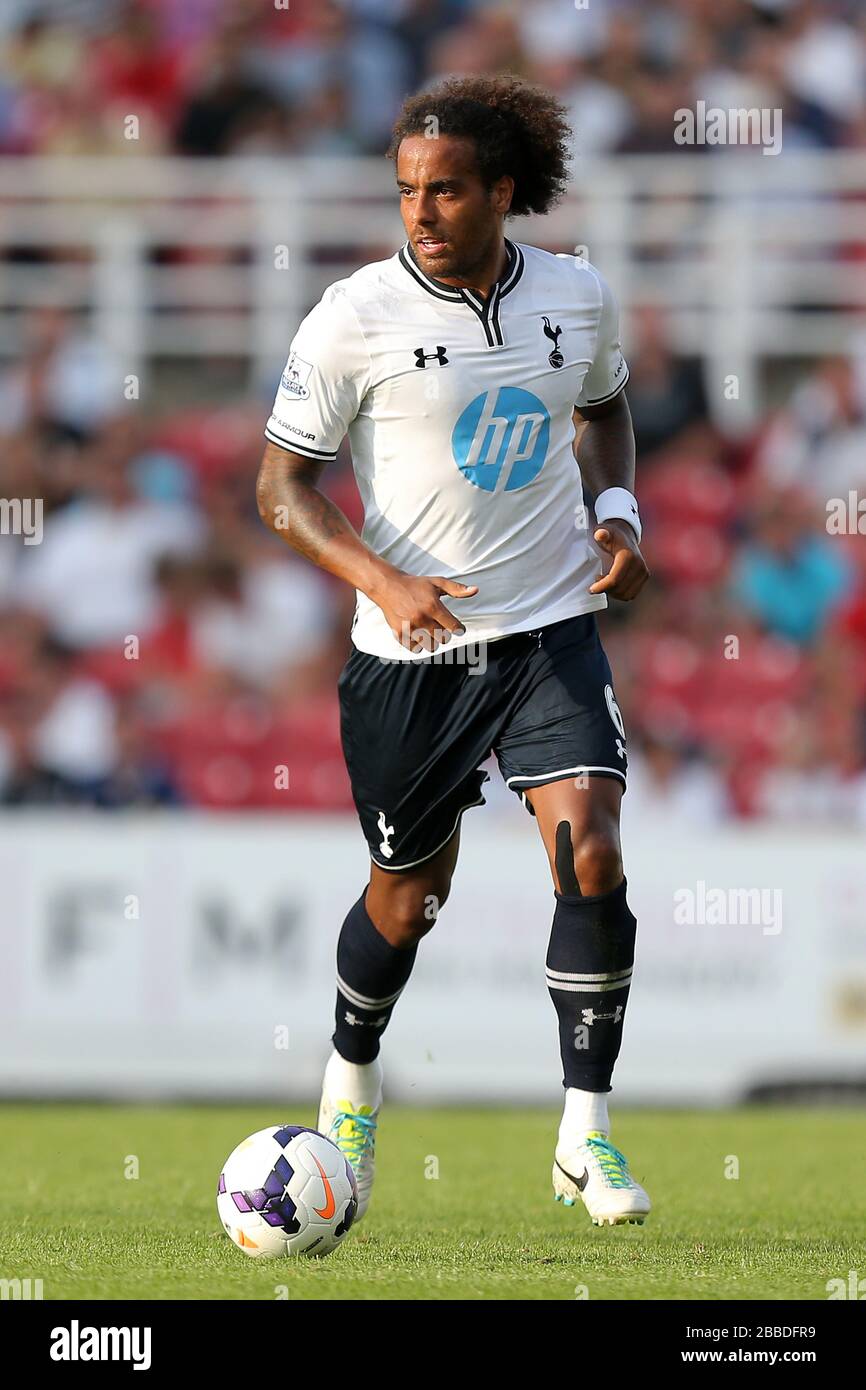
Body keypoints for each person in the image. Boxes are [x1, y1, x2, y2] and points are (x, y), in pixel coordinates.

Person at [256, 74, 651, 1227]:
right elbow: (280, 490)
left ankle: (586, 1138)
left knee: (590, 853)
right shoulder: (350, 317)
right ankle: (350, 1087)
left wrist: (617, 509)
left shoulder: (576, 296)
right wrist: (382, 578)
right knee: (405, 896)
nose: (419, 213)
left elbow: (605, 404)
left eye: (443, 192)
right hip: (407, 658)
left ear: (501, 193)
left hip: (546, 631)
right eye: (404, 193)